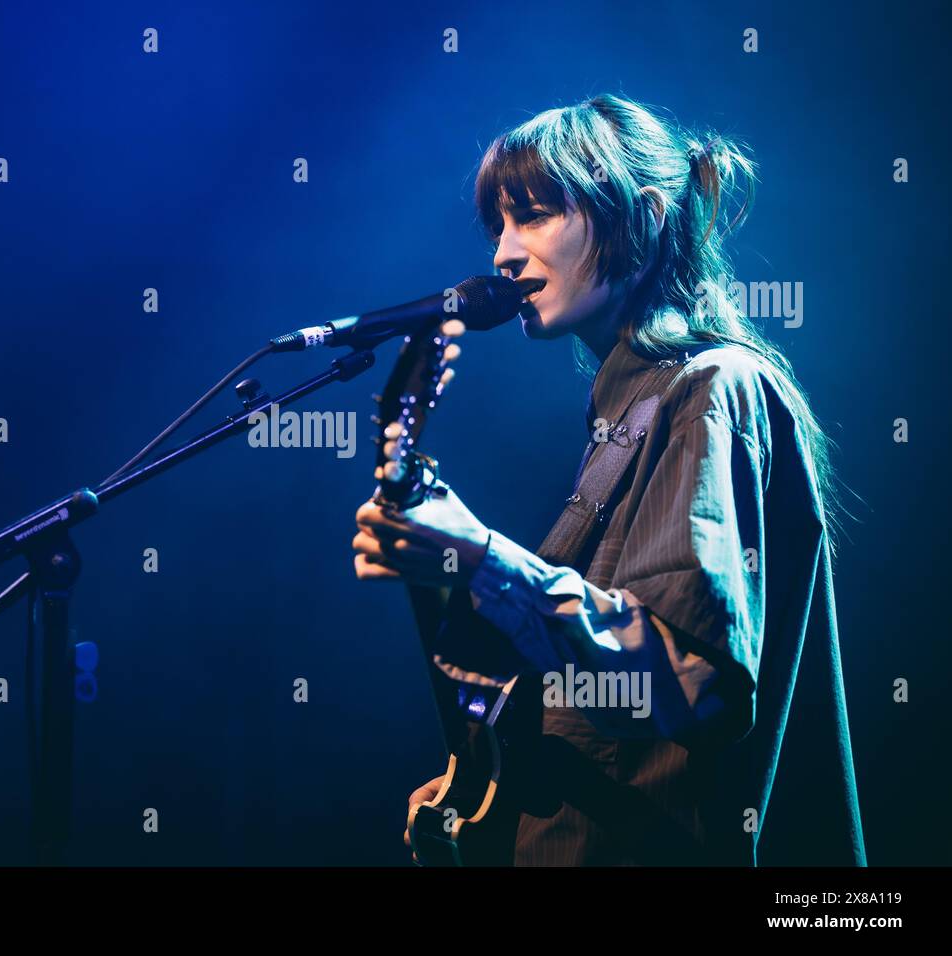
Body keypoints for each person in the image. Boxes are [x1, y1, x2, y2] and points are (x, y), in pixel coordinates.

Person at [351, 94, 866, 866]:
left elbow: (694, 684)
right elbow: (593, 694)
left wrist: (485, 558)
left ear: (642, 220)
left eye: (533, 216)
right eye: (497, 224)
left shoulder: (711, 388)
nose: (503, 252)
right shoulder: (627, 407)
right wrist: (491, 771)